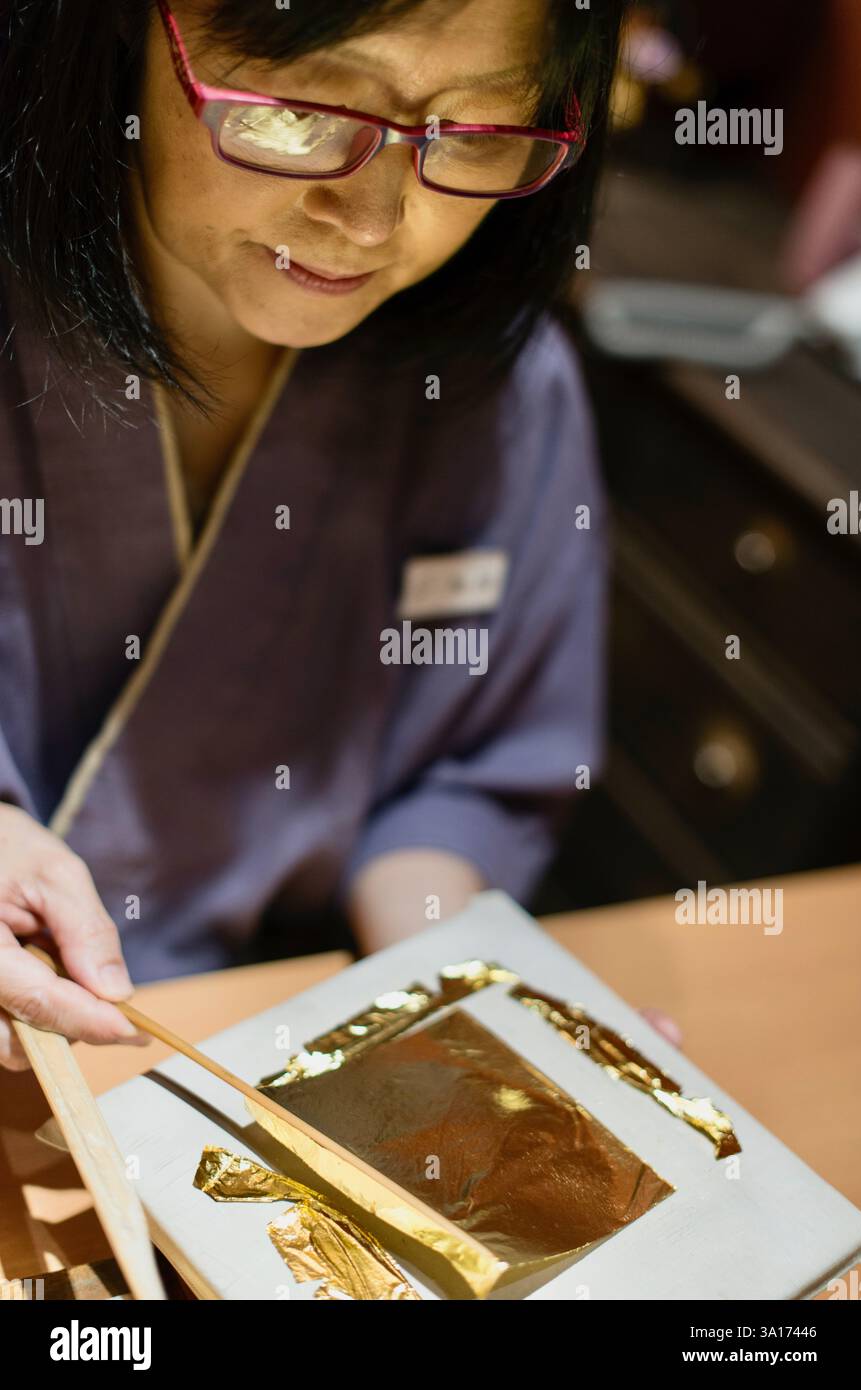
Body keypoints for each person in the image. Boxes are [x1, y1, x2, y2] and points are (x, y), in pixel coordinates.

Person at [0, 0, 654, 1073]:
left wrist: (463, 992)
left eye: (478, 132)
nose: (370, 216)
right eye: (303, 113)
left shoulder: (497, 392)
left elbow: (463, 784)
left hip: (246, 1046)